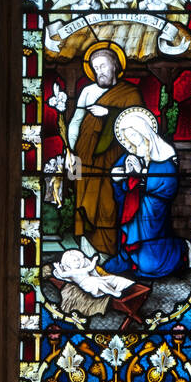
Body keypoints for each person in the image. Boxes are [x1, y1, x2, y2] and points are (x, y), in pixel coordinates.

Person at [64, 41, 142, 257]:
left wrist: (108, 113)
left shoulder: (131, 93)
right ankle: (88, 253)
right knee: (84, 205)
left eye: (103, 66)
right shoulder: (87, 91)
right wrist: (70, 151)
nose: (99, 71)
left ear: (115, 66)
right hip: (84, 157)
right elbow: (76, 122)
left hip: (112, 158)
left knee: (108, 206)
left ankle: (110, 254)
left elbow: (138, 123)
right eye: (95, 67)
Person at [102, 107, 185, 280]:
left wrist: (141, 175)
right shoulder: (130, 155)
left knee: (150, 266)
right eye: (126, 138)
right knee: (130, 260)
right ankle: (126, 256)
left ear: (144, 132)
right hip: (132, 213)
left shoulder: (164, 156)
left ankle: (182, 249)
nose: (129, 141)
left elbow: (167, 188)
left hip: (153, 216)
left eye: (132, 135)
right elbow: (121, 184)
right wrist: (119, 178)